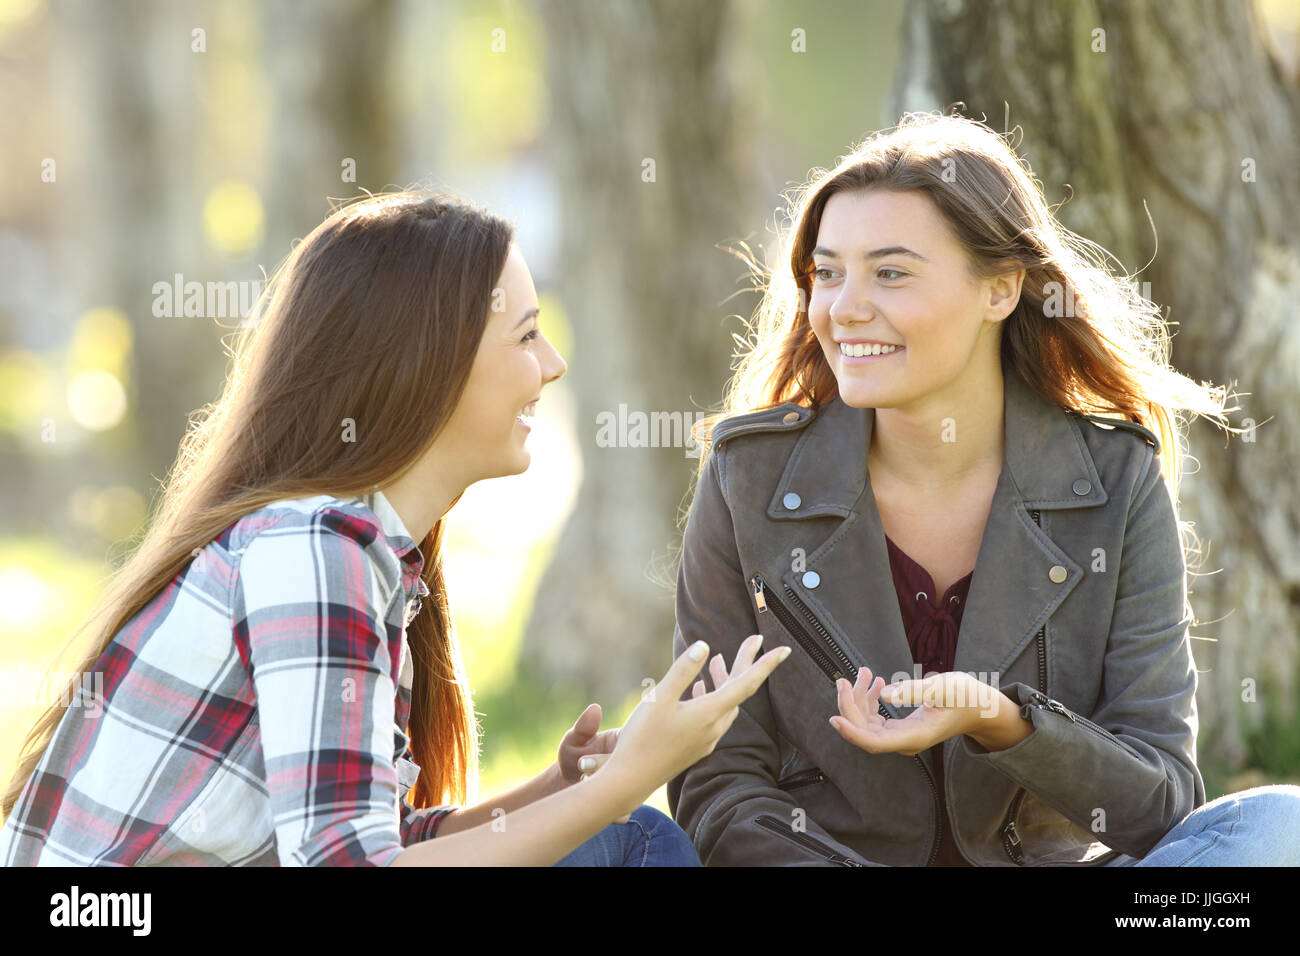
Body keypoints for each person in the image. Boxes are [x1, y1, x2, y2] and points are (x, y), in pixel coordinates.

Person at [0, 190, 790, 867]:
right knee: (634, 845)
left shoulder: (355, 554)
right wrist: (626, 783)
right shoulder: (311, 551)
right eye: (524, 334)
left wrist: (567, 788)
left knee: (618, 830)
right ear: (428, 364)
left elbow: (369, 837)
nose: (552, 364)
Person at [667, 110, 1300, 866]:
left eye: (891, 272)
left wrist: (1006, 722)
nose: (843, 308)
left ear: (1001, 289)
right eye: (827, 273)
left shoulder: (1114, 481)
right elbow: (717, 784)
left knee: (1278, 827)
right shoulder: (750, 478)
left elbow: (1158, 806)